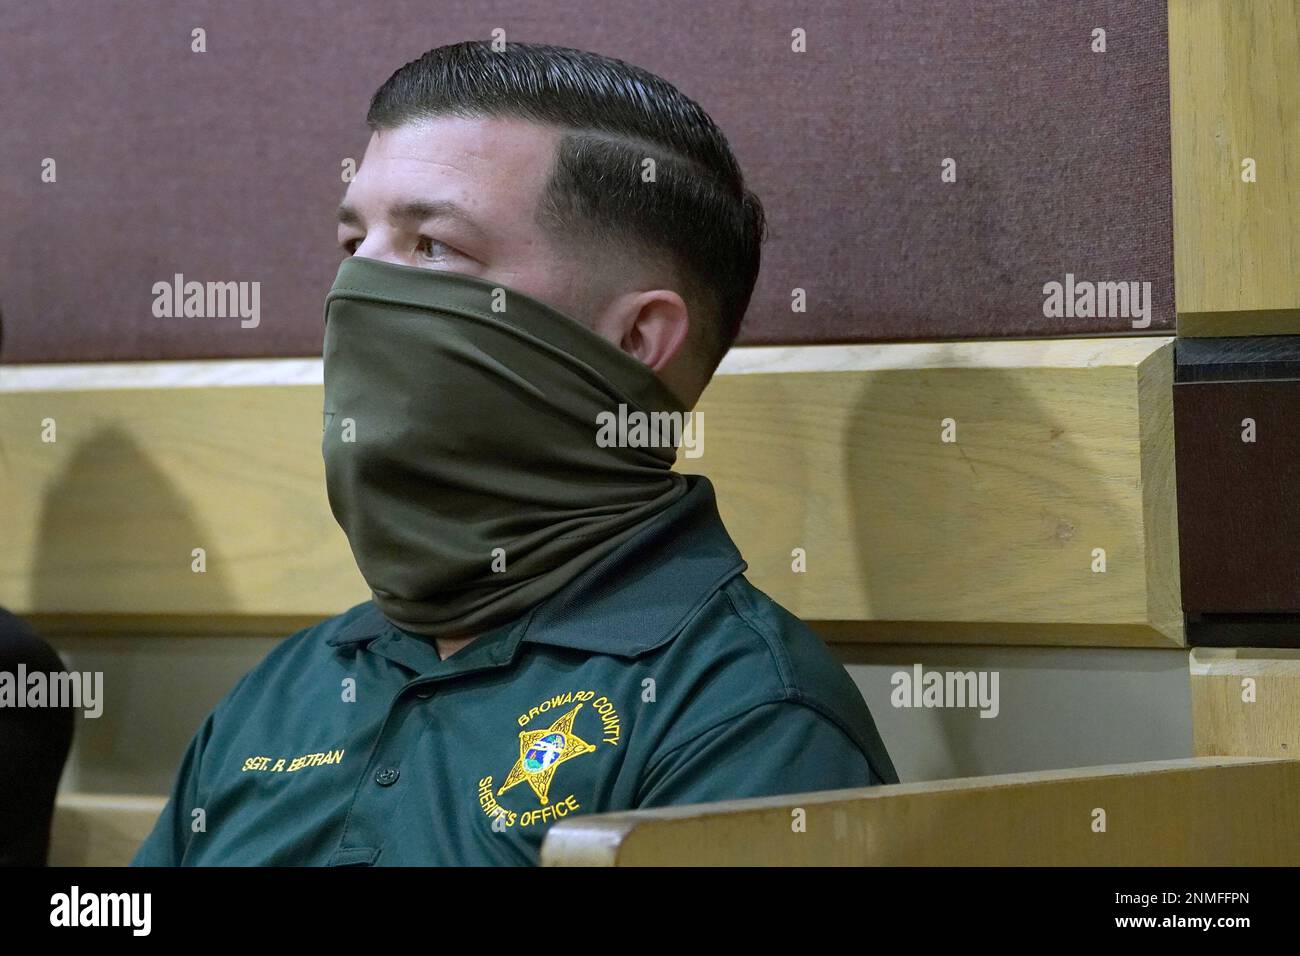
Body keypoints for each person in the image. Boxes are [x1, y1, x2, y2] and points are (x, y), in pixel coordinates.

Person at [133, 40, 896, 866]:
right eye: (354, 245)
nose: (354, 292)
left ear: (636, 337)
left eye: (435, 248)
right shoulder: (290, 687)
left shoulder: (742, 717)